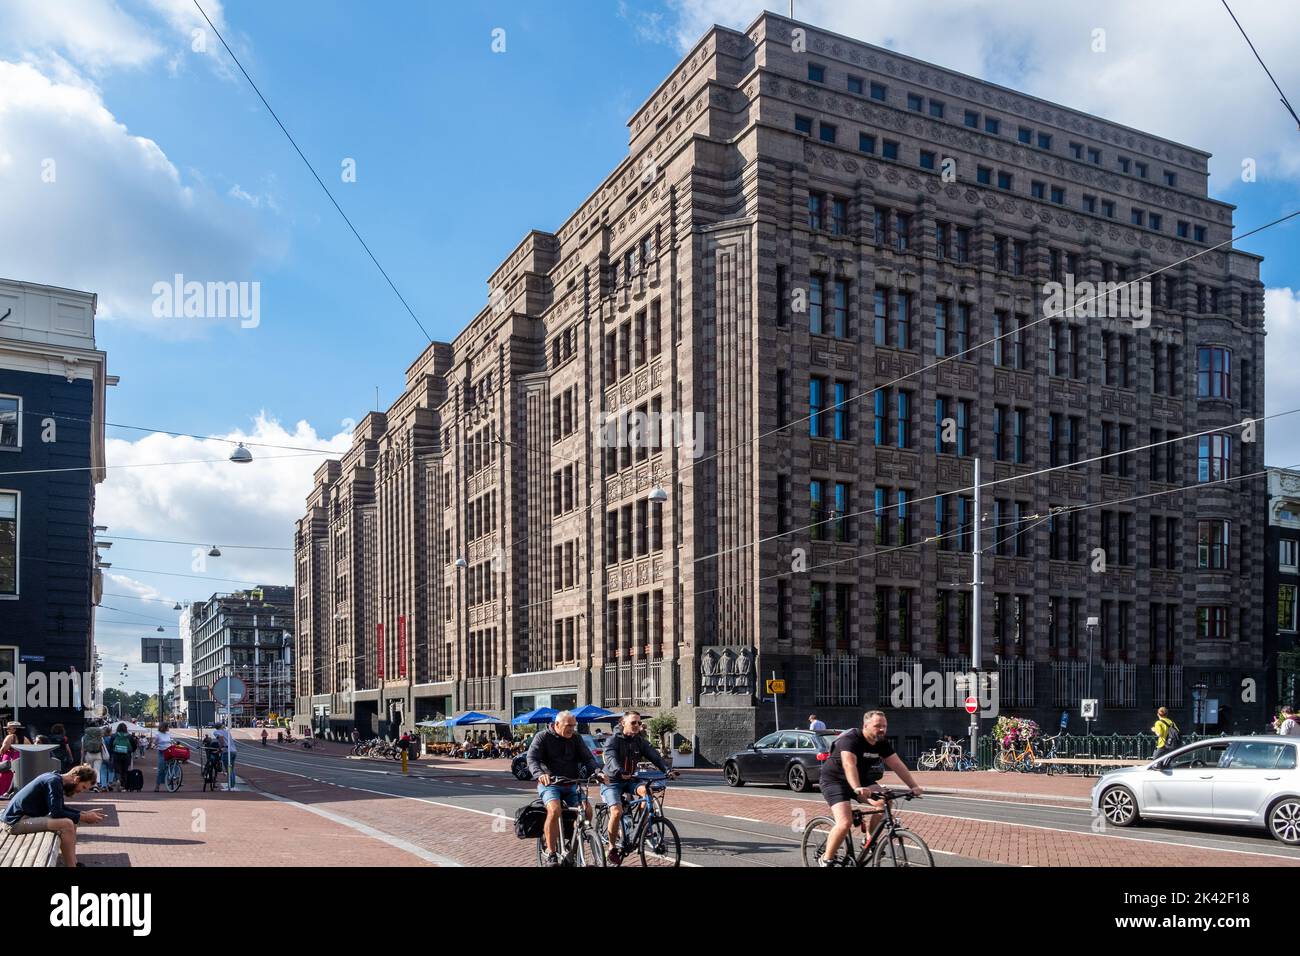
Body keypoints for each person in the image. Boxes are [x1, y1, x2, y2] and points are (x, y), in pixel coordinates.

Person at [816, 710, 922, 867]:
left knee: (884, 802)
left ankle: (869, 839)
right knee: (845, 823)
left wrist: (913, 786)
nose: (882, 729)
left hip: (861, 780)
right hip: (835, 780)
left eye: (884, 726)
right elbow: (848, 764)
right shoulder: (851, 739)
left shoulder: (881, 743)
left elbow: (897, 765)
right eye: (877, 726)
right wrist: (857, 787)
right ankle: (826, 859)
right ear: (865, 725)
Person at [526, 711, 603, 867]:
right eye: (568, 726)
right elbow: (532, 758)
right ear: (557, 724)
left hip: (571, 783)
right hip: (550, 784)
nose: (572, 729)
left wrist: (597, 772)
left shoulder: (575, 738)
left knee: (587, 811)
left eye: (574, 726)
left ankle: (576, 837)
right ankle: (551, 853)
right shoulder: (542, 737)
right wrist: (540, 774)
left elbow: (587, 758)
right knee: (554, 810)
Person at [601, 711, 676, 865]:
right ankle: (612, 847)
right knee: (616, 811)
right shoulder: (613, 740)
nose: (637, 726)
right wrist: (620, 771)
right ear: (623, 723)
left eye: (639, 723)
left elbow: (654, 755)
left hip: (631, 780)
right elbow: (611, 759)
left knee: (647, 791)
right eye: (633, 723)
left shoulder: (639, 741)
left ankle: (644, 826)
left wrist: (667, 770)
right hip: (613, 781)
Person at [2, 765, 105, 867]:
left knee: (71, 822)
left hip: (25, 819)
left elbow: (60, 808)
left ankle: (74, 863)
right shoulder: (54, 781)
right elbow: (57, 813)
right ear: (77, 779)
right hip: (15, 823)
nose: (80, 791)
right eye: (83, 787)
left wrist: (84, 813)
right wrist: (84, 818)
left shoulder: (54, 778)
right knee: (67, 824)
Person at [1, 721, 32, 797]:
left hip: (8, 760)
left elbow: (3, 749)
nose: (7, 730)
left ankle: (3, 793)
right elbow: (31, 749)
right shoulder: (25, 739)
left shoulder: (10, 737)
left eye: (9, 729)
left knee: (4, 776)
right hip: (19, 760)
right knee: (15, 777)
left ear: (15, 729)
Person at [107, 722, 137, 791]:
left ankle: (118, 780)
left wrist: (112, 752)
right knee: (125, 770)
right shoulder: (129, 736)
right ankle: (123, 786)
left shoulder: (114, 736)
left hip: (116, 755)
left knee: (117, 770)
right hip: (126, 755)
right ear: (126, 729)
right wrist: (130, 751)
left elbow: (110, 746)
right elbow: (134, 746)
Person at [81, 721, 105, 792]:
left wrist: (81, 759)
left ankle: (91, 785)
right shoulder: (99, 736)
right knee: (97, 770)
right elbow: (102, 746)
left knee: (90, 770)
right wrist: (102, 756)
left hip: (88, 755)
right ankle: (95, 785)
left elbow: (82, 749)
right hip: (98, 755)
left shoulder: (84, 737)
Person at [151, 722, 175, 793]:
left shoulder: (168, 734)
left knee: (173, 765)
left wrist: (173, 744)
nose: (168, 728)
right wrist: (153, 745)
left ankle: (174, 779)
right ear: (163, 727)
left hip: (169, 751)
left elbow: (170, 742)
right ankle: (157, 786)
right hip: (162, 752)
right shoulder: (158, 734)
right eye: (167, 727)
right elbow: (155, 742)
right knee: (161, 769)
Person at [212, 722, 237, 790]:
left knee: (228, 769)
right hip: (234, 751)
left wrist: (220, 748)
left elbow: (221, 738)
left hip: (227, 751)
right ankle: (232, 785)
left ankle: (230, 786)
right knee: (232, 769)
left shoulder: (216, 732)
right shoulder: (227, 732)